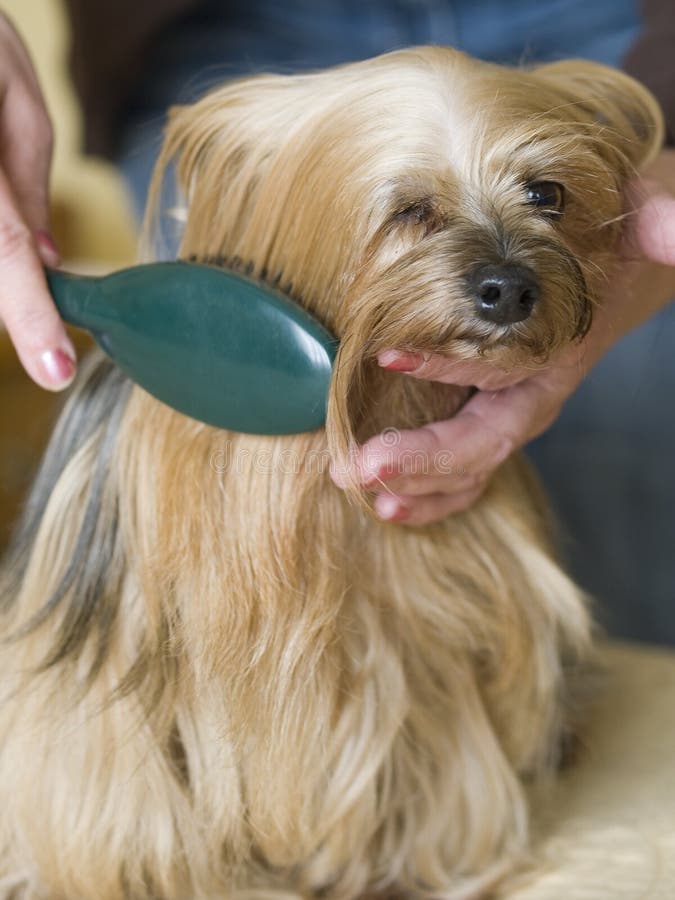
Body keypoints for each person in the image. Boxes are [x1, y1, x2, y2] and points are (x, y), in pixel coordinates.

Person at [0, 1, 674, 641]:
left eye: (542, 196)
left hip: (609, 23)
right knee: (256, 462)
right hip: (223, 23)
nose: (505, 275)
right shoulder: (241, 135)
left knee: (620, 549)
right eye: (414, 211)